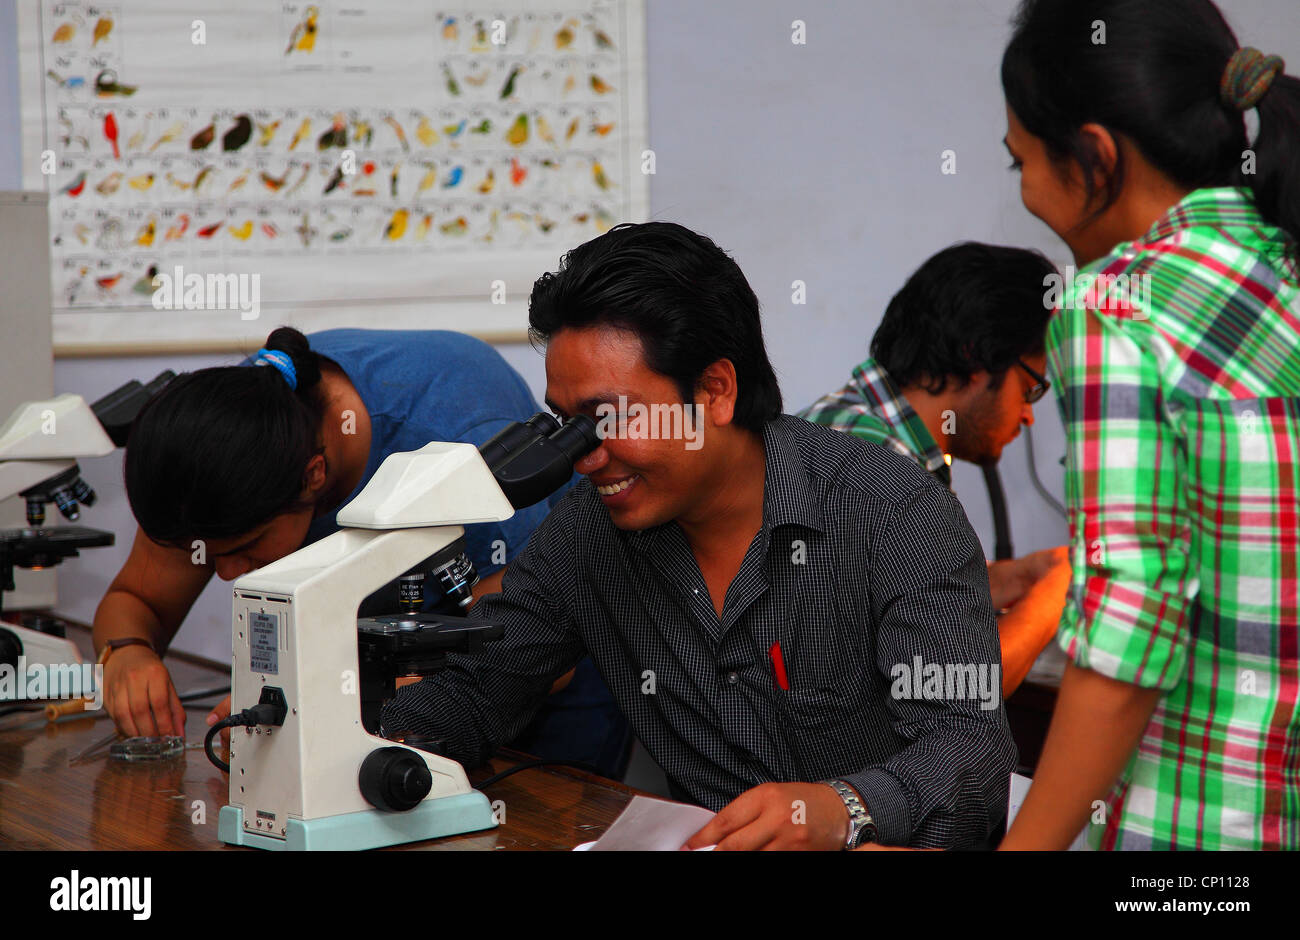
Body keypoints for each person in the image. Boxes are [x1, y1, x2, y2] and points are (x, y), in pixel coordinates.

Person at [382, 221, 1016, 850]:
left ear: (714, 390)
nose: (585, 457)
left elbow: (970, 758)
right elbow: (479, 691)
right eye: (566, 423)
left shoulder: (891, 512)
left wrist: (840, 810)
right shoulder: (589, 532)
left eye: (609, 418)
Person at [997, 0, 1300, 850]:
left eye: (1020, 159)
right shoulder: (1284, 266)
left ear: (1093, 155)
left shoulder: (1114, 308)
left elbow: (1130, 625)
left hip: (1189, 836)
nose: (1022, 189)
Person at [92, 326, 630, 777]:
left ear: (313, 476)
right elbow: (137, 599)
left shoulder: (458, 434)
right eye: (206, 555)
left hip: (540, 704)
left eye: (243, 550)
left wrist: (316, 696)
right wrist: (127, 653)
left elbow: (524, 649)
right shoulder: (229, 443)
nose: (226, 574)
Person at [801, 242, 1072, 695]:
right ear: (975, 358)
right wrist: (1053, 597)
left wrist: (1018, 576)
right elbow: (959, 688)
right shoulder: (878, 467)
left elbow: (904, 592)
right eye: (1031, 389)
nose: (1027, 417)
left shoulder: (852, 423)